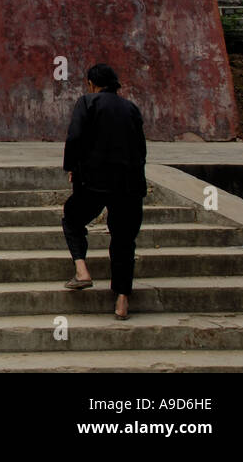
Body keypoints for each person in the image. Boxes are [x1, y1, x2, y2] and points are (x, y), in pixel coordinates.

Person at [61, 63, 146, 320]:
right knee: (123, 240)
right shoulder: (131, 108)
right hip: (129, 185)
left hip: (94, 181)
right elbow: (140, 149)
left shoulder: (87, 103)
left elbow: (75, 138)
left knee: (72, 219)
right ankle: (122, 300)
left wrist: (72, 168)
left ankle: (82, 270)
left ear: (91, 83)